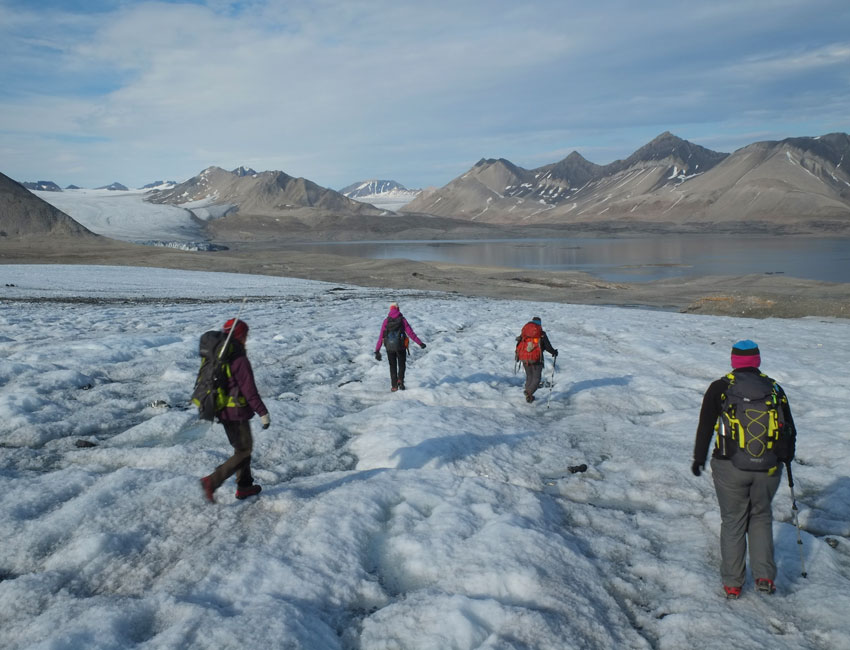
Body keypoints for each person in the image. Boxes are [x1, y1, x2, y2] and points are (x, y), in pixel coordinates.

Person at [691, 340, 796, 599]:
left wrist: (699, 458)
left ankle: (733, 584)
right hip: (769, 469)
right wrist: (785, 459)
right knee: (760, 517)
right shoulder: (774, 388)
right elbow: (789, 430)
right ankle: (764, 578)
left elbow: (705, 426)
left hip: (729, 466)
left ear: (733, 361)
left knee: (733, 521)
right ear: (757, 360)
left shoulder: (720, 387)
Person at [200, 318, 270, 503]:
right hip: (236, 412)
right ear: (241, 335)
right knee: (244, 451)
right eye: (245, 335)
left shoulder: (218, 355)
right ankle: (211, 481)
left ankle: (245, 486)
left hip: (221, 410)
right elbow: (249, 390)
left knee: (241, 448)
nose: (247, 338)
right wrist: (262, 412)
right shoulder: (238, 358)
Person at [374, 302, 425, 391]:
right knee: (401, 364)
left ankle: (394, 386)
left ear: (390, 309)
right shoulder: (402, 320)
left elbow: (381, 336)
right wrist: (420, 343)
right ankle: (400, 380)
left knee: (392, 366)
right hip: (401, 346)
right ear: (398, 309)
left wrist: (377, 350)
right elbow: (410, 333)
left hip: (389, 347)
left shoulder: (386, 320)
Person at [515, 316, 558, 403]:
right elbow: (547, 346)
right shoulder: (541, 334)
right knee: (537, 378)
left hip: (524, 358)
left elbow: (519, 343)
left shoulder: (524, 333)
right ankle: (529, 392)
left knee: (529, 377)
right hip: (536, 359)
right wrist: (554, 352)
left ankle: (529, 396)